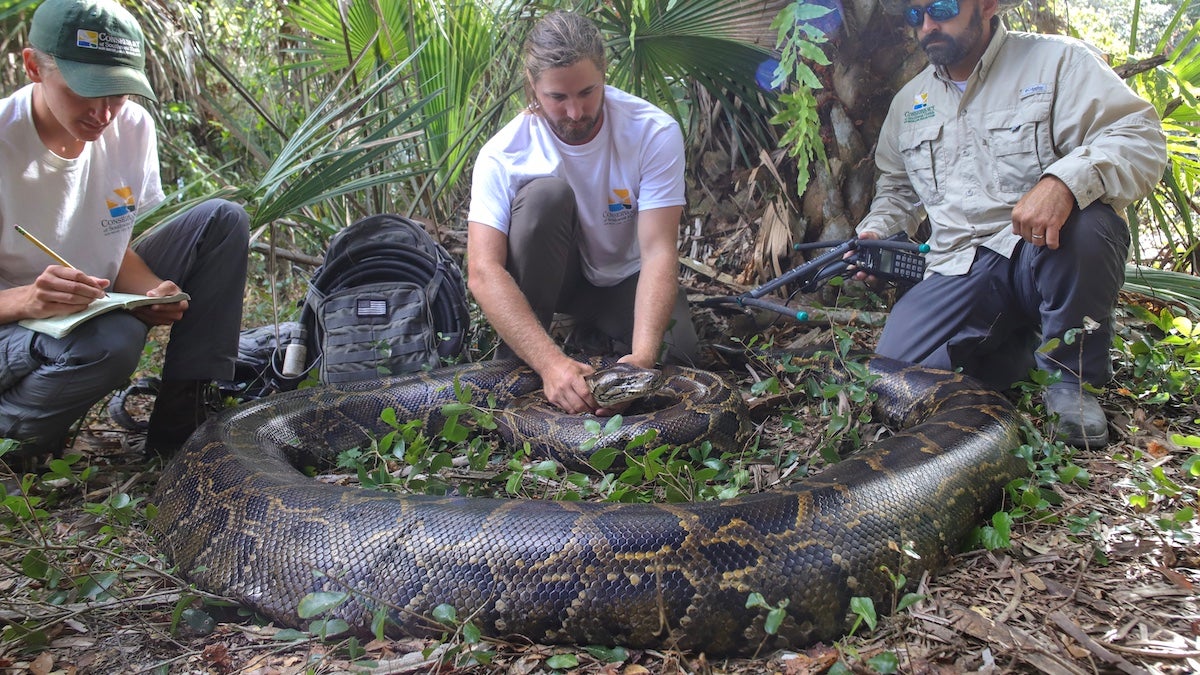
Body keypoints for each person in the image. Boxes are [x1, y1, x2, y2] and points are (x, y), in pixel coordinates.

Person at [856, 0, 1167, 447]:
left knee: (1091, 225)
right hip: (957, 266)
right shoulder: (910, 102)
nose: (926, 25)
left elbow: (1138, 137)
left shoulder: (1058, 61)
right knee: (893, 377)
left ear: (986, 5)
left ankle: (1072, 381)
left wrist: (1063, 182)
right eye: (914, 15)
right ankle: (1018, 351)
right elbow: (897, 188)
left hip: (1040, 249)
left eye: (941, 7)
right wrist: (876, 231)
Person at [0, 0, 249, 460]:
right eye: (85, 90)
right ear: (34, 67)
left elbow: (113, 243)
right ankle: (14, 438)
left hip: (84, 305)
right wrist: (26, 300)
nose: (103, 113)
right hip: (13, 326)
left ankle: (182, 427)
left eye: (117, 93)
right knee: (113, 340)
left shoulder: (132, 128)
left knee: (222, 219)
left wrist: (153, 292)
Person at [466, 10, 698, 415]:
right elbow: (483, 271)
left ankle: (592, 335)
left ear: (604, 70)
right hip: (556, 284)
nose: (575, 112)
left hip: (624, 278)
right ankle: (520, 362)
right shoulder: (503, 154)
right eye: (557, 98)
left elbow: (659, 251)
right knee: (544, 198)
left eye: (587, 92)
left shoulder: (652, 131)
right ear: (532, 84)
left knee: (681, 357)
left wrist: (640, 361)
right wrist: (549, 364)